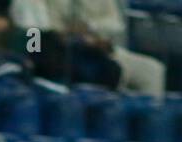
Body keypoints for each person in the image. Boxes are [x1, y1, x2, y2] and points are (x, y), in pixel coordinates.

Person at [11, 0, 164, 96]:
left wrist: (92, 31)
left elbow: (115, 25)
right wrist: (56, 37)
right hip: (53, 52)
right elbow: (32, 33)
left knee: (151, 69)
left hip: (100, 50)